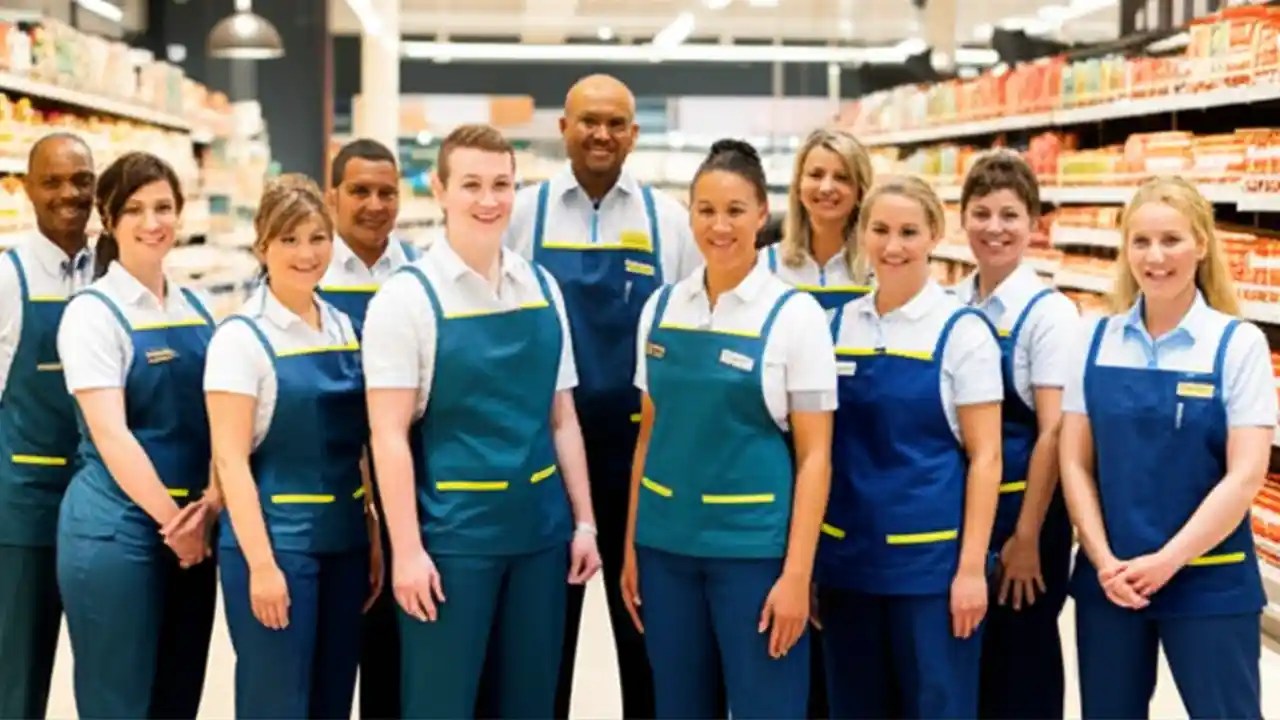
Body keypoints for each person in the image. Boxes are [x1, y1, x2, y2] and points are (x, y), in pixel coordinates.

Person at [365, 123, 602, 719]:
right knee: (441, 703)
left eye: (501, 184)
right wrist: (408, 552)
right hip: (453, 542)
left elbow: (561, 418)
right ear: (440, 191)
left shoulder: (541, 285)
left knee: (529, 702)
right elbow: (388, 435)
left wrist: (586, 522)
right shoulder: (406, 299)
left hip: (539, 536)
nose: (489, 199)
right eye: (471, 184)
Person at [502, 72, 700, 720]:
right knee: (541, 647)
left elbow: (694, 334)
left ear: (634, 134)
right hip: (546, 462)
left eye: (616, 122)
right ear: (563, 127)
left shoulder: (669, 222)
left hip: (640, 462)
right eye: (588, 120)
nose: (601, 134)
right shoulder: (520, 215)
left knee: (645, 639)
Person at [620, 139, 836, 719]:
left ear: (762, 214)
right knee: (679, 706)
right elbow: (649, 438)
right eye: (706, 210)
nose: (720, 226)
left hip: (753, 554)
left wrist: (797, 574)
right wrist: (632, 546)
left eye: (736, 210)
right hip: (666, 550)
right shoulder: (662, 308)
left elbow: (816, 458)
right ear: (688, 213)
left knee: (768, 705)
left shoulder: (795, 316)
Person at [1059, 176, 1274, 720]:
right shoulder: (1093, 338)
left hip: (1210, 580)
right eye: (1141, 242)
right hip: (1111, 582)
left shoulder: (1235, 343)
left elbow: (1246, 476)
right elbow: (1075, 462)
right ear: (1125, 248)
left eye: (1172, 240)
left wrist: (1168, 561)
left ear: (1202, 244)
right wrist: (1104, 558)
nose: (1155, 257)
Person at [818, 176, 1003, 719]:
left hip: (931, 569)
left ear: (934, 236)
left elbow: (986, 458)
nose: (892, 246)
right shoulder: (834, 326)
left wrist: (971, 569)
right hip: (848, 562)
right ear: (862, 234)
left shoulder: (961, 332)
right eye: (879, 230)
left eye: (907, 231)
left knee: (938, 706)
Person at [205, 175, 381, 718]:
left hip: (344, 543)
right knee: (276, 702)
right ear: (262, 247)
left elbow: (360, 448)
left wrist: (371, 532)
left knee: (332, 700)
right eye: (288, 240)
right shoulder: (240, 339)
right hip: (277, 546)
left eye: (317, 238)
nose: (306, 254)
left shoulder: (345, 328)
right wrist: (261, 565)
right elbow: (230, 461)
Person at [54, 151, 220, 718]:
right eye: (136, 209)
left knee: (178, 695)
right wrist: (176, 524)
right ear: (108, 218)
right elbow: (111, 434)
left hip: (193, 530)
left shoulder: (198, 305)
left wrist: (210, 507)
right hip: (117, 533)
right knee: (118, 700)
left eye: (164, 207)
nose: (153, 222)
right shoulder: (92, 314)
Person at [950, 151, 1079, 719]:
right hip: (966, 517)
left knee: (1021, 675)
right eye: (981, 213)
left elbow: (1052, 432)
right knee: (968, 670)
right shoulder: (952, 303)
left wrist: (1026, 538)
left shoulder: (1048, 314)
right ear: (962, 218)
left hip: (1025, 522)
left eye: (1009, 215)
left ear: (1034, 223)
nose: (994, 228)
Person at [319, 137, 419, 720]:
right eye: (359, 191)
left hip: (400, 488)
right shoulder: (305, 268)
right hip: (328, 488)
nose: (375, 205)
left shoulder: (420, 275)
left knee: (395, 662)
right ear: (333, 195)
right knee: (330, 663)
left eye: (386, 192)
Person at [0, 132, 94, 719]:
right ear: (28, 188)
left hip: (100, 511)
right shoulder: (9, 278)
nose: (69, 194)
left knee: (108, 671)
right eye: (53, 181)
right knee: (17, 677)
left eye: (81, 180)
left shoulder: (111, 269)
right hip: (24, 508)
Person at [764, 127, 876, 313]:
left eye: (842, 178)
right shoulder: (765, 266)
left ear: (860, 191)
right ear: (798, 185)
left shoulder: (880, 267)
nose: (826, 187)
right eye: (816, 175)